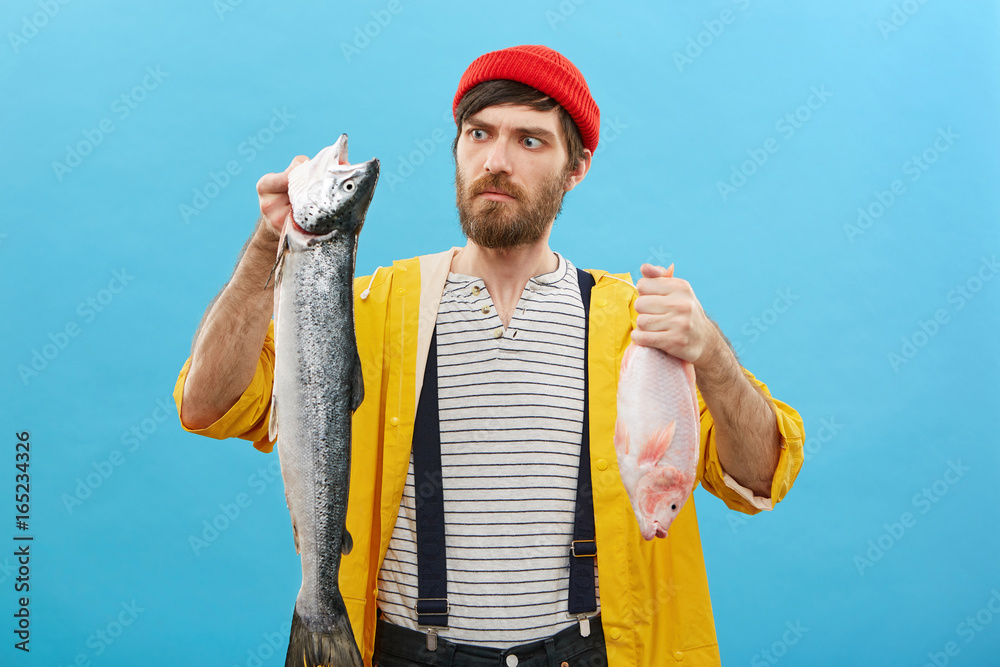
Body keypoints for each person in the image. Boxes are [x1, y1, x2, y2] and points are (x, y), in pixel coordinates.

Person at [174, 44, 805, 667]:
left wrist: (713, 354)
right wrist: (268, 245)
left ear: (576, 165)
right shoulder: (371, 307)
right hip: (404, 653)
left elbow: (758, 477)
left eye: (530, 140)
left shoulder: (635, 327)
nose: (496, 161)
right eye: (479, 133)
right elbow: (209, 405)